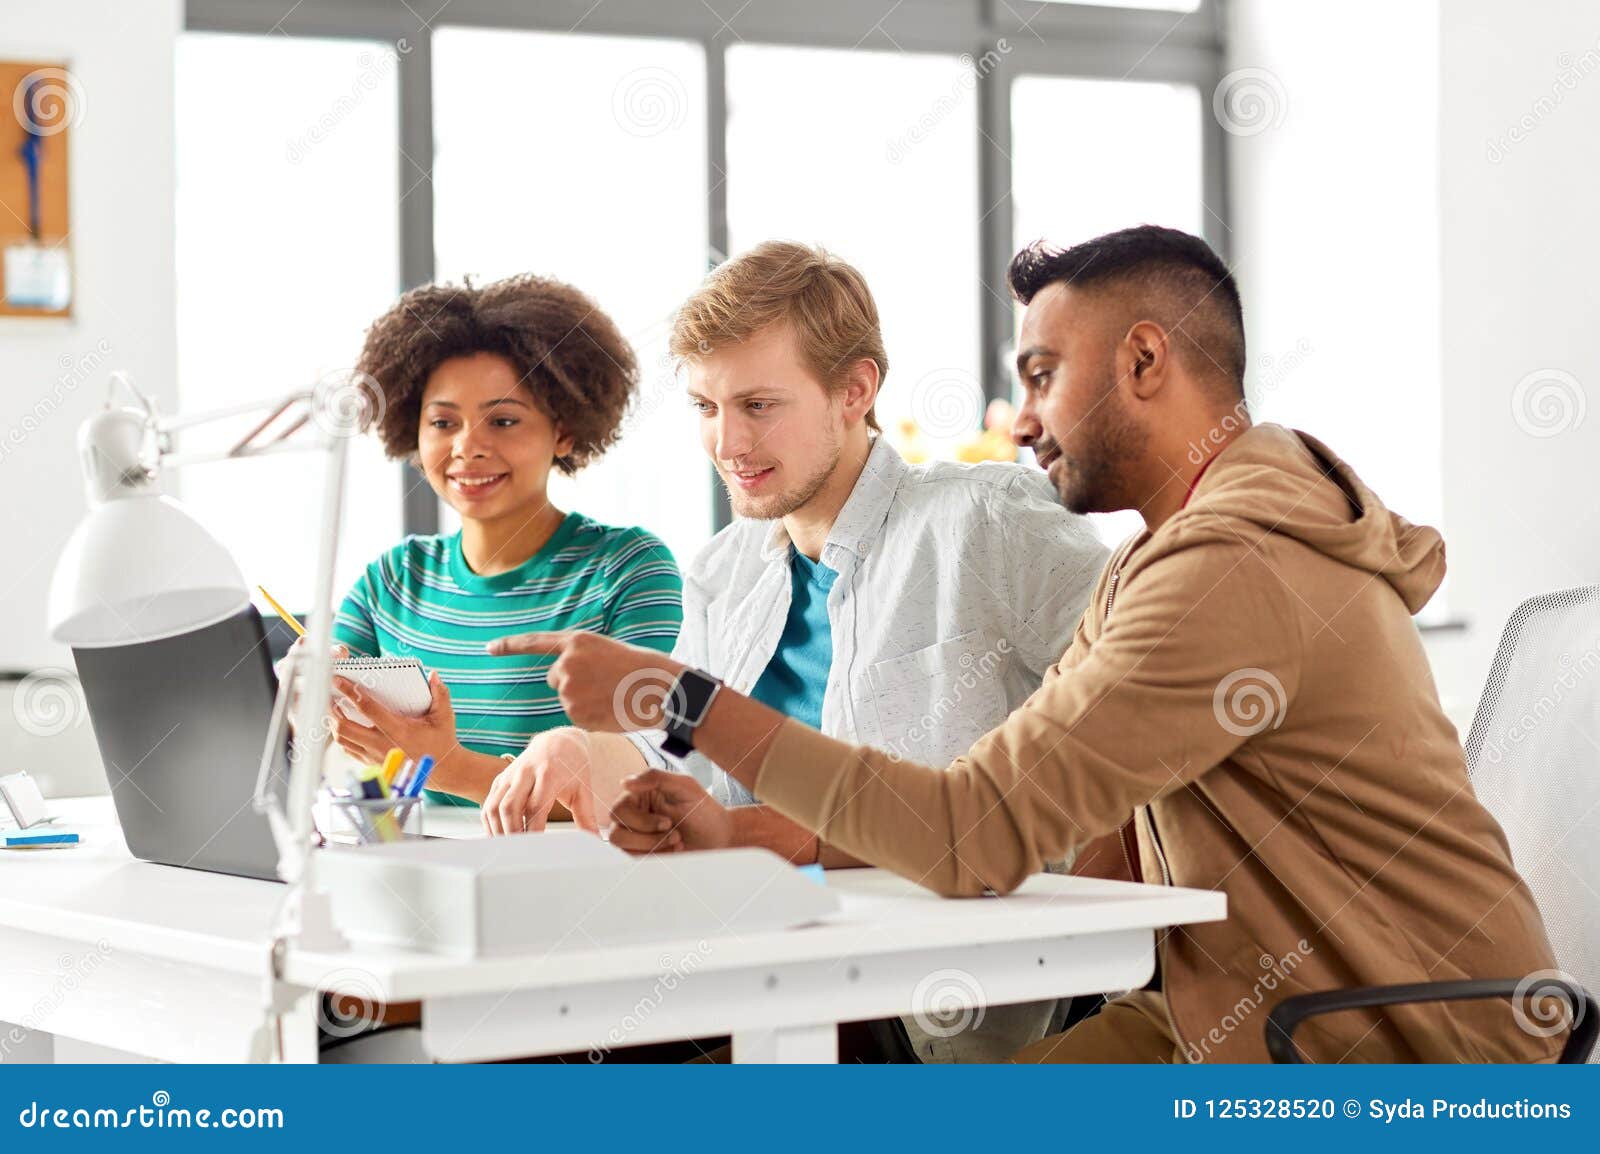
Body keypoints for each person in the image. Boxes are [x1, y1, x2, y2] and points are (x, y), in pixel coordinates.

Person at [493, 226, 1563, 1063]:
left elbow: (976, 830)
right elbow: (1003, 799)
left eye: (1045, 373)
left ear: (1145, 361)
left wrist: (681, 696)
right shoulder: (1176, 555)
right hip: (1238, 1013)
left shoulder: (1224, 571)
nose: (1022, 413)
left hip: (1386, 1050)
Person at [482, 241, 1108, 1060]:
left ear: (855, 391)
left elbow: (1123, 756)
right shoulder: (722, 574)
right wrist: (575, 751)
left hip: (918, 1010)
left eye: (759, 404)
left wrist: (770, 838)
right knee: (499, 1030)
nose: (726, 442)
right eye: (706, 407)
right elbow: (686, 787)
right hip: (747, 974)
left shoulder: (986, 525)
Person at [322, 274, 683, 808]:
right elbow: (335, 744)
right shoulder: (390, 582)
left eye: (504, 420)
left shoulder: (629, 571)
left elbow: (650, 780)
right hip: (423, 867)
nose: (468, 447)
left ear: (562, 431)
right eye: (443, 421)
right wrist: (309, 698)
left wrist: (450, 769)